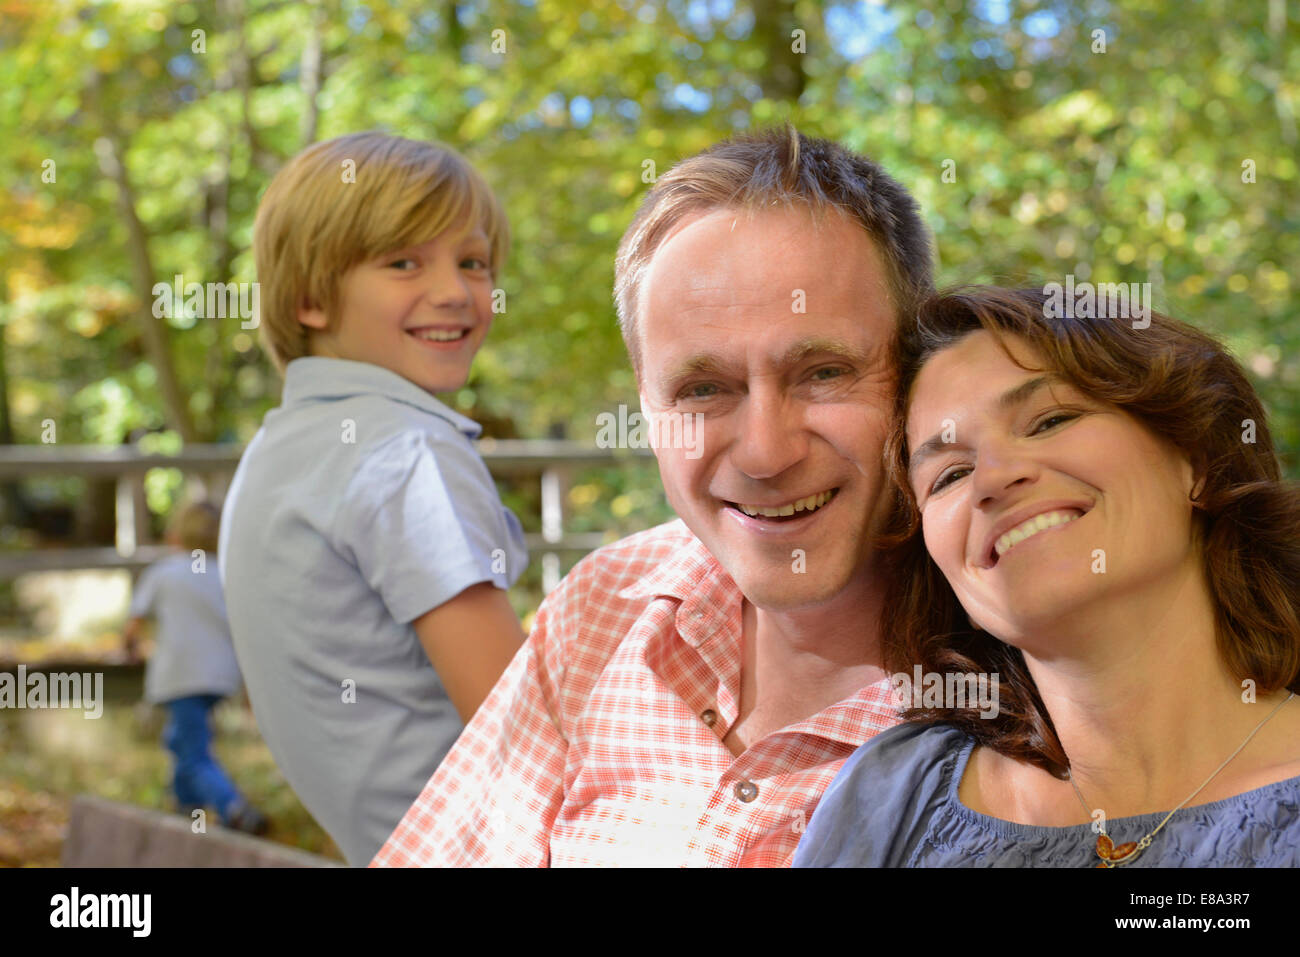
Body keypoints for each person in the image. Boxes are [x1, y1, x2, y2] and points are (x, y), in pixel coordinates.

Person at [372, 126, 934, 867]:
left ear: (918, 370)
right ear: (646, 406)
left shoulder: (1027, 680)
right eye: (703, 389)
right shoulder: (604, 609)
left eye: (823, 372)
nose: (766, 451)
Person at [794, 286, 1300, 867]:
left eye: (1049, 420)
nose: (994, 478)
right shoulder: (891, 794)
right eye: (950, 474)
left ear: (1199, 460)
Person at [218, 131, 529, 865]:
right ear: (309, 298)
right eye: (403, 262)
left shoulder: (281, 449)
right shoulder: (406, 453)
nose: (455, 290)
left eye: (473, 262)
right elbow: (520, 719)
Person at [123, 502, 267, 835]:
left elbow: (135, 622)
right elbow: (243, 632)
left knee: (193, 753)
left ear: (175, 535)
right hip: (219, 677)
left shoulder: (164, 572)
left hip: (180, 676)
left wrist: (129, 648)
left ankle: (234, 808)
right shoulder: (226, 575)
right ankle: (186, 811)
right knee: (179, 740)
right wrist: (248, 688)